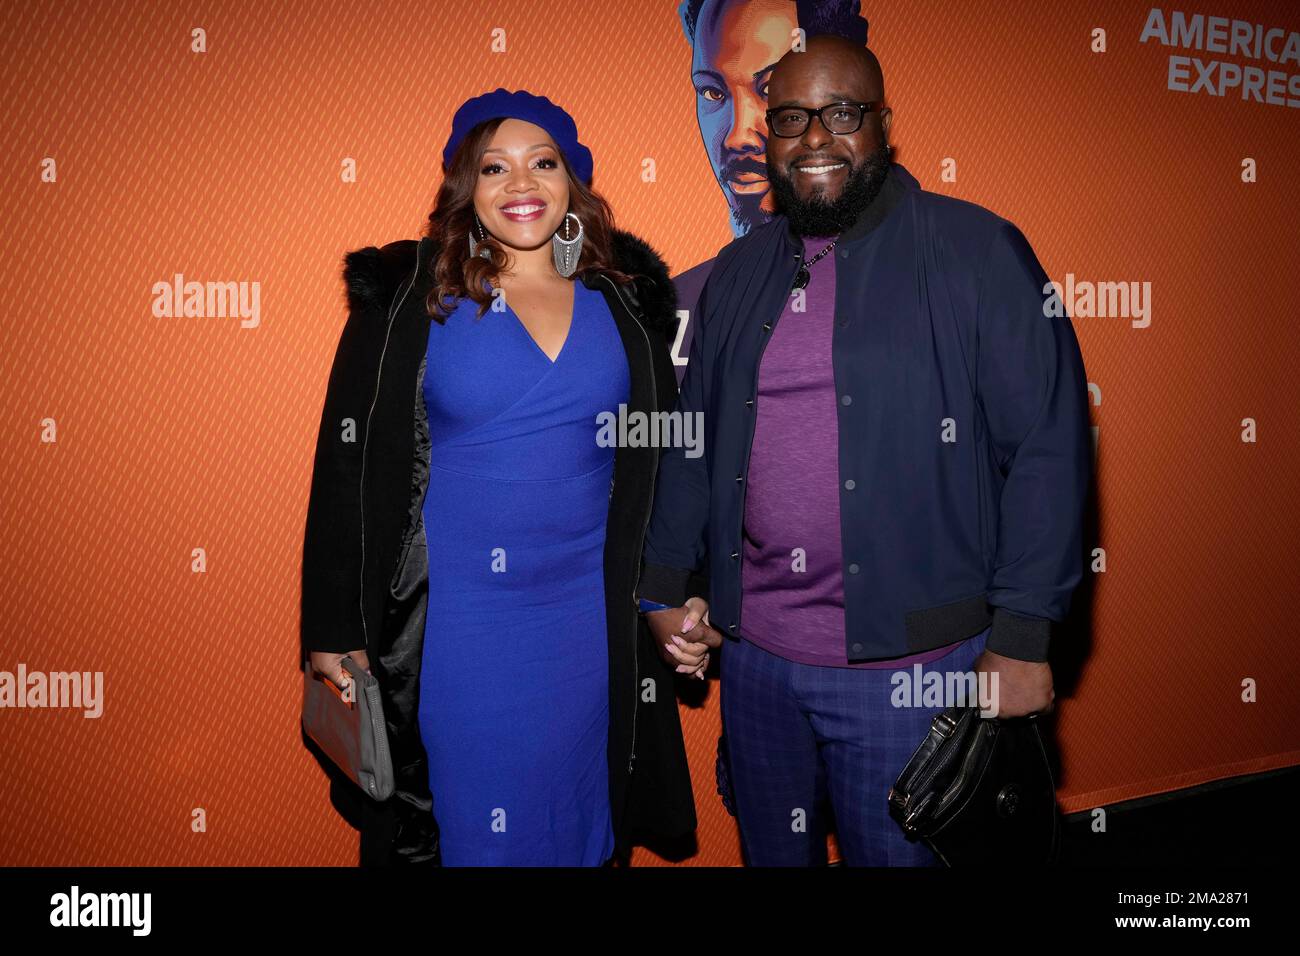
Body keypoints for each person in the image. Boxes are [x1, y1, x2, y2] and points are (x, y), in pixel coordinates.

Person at [637, 36, 1091, 865]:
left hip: (914, 670)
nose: (815, 139)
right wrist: (663, 586)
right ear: (769, 135)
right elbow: (691, 439)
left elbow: (1049, 450)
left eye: (842, 114)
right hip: (757, 664)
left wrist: (1023, 636)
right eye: (791, 118)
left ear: (884, 125)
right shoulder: (735, 275)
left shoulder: (978, 251)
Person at [301, 88, 703, 866]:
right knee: (470, 827)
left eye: (543, 163)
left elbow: (668, 461)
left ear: (572, 182)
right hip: (459, 628)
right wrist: (333, 628)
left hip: (589, 623)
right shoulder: (407, 295)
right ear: (465, 187)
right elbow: (345, 464)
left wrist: (671, 586)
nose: (522, 184)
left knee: (580, 823)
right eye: (495, 167)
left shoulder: (623, 300)